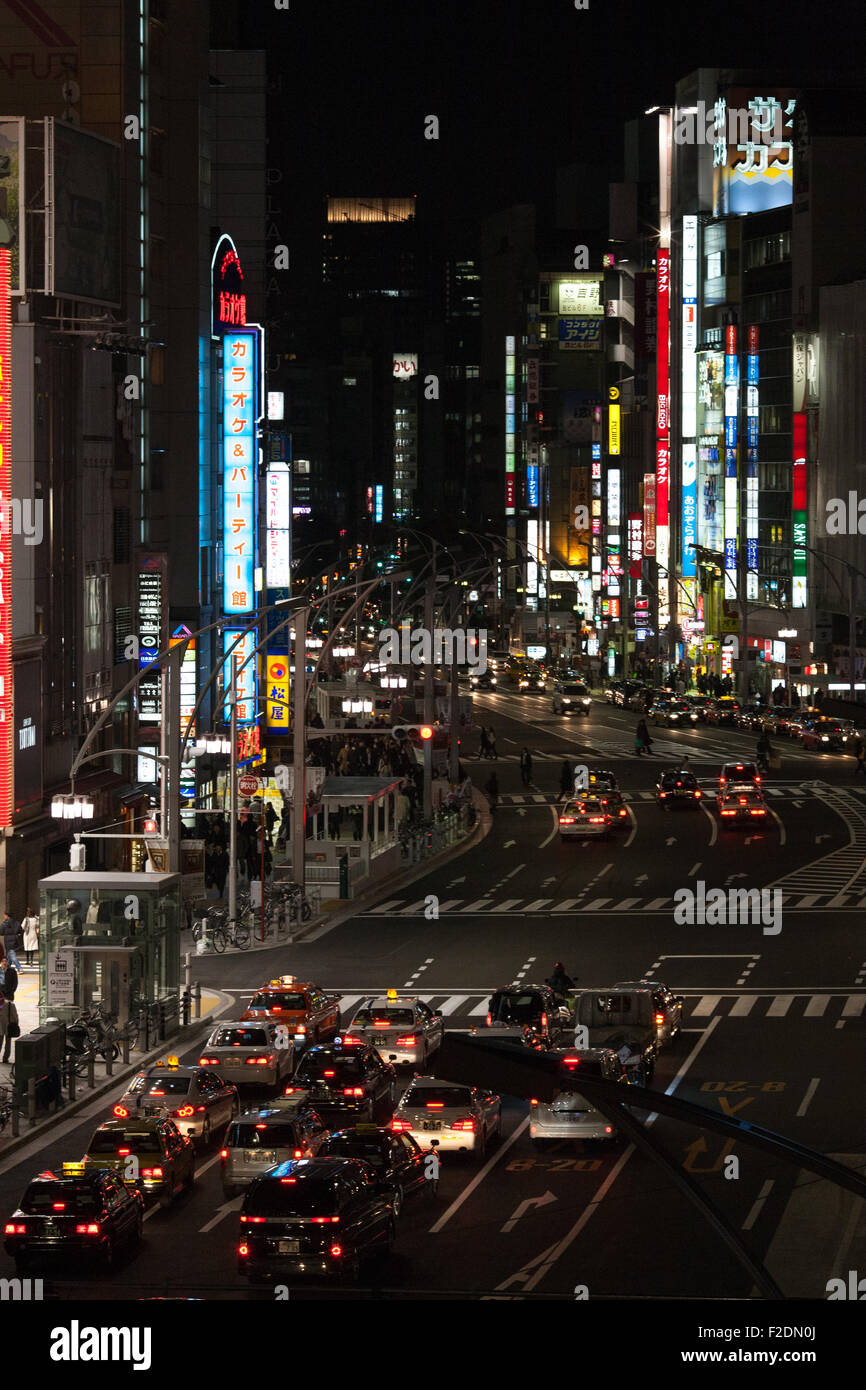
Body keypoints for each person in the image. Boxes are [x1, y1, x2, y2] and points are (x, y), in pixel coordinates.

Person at [2, 992, 17, 1065]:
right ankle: (5, 1058)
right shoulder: (10, 1004)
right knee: (8, 1043)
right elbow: (15, 1016)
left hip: (1, 1027)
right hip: (9, 1026)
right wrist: (16, 1023)